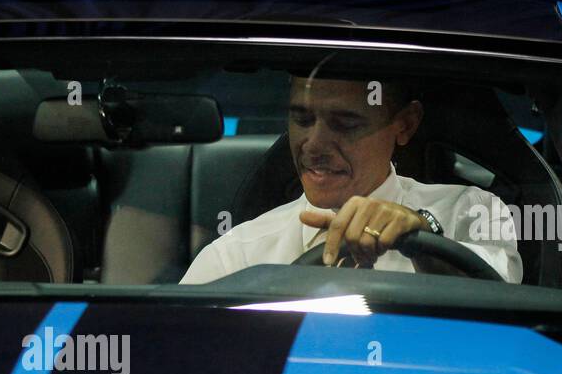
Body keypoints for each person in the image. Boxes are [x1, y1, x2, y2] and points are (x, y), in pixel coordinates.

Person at [181, 69, 523, 285]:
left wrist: (424, 241)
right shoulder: (237, 255)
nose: (313, 144)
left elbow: (504, 308)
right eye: (301, 120)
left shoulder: (470, 211)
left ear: (405, 124)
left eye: (345, 124)